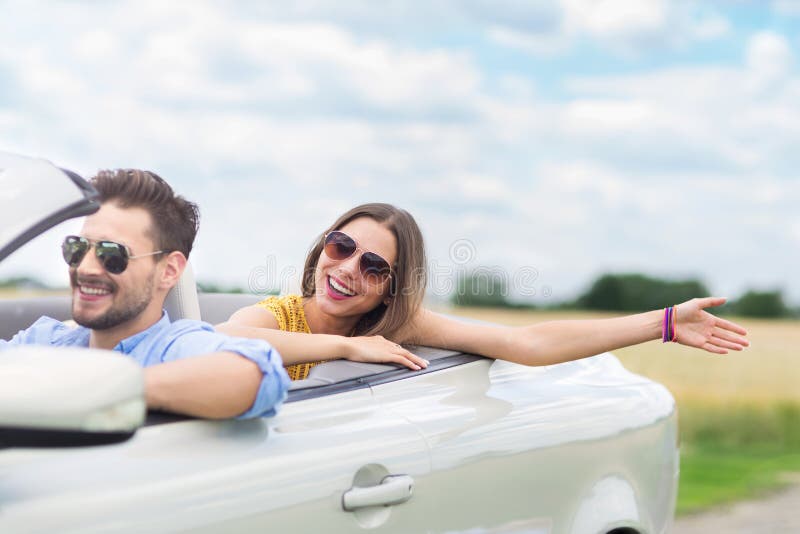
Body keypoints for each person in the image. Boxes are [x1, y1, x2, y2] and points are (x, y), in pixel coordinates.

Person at [217, 203, 749, 381]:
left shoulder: (395, 326)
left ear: (391, 290)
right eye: (341, 245)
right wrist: (345, 346)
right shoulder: (275, 317)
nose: (349, 268)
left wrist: (661, 323)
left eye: (374, 265)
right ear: (321, 250)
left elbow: (529, 344)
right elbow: (221, 340)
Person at [0, 169, 289, 418]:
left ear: (169, 270)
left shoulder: (174, 348)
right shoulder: (45, 340)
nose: (85, 268)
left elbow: (258, 374)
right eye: (77, 248)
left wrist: (98, 388)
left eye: (111, 254)